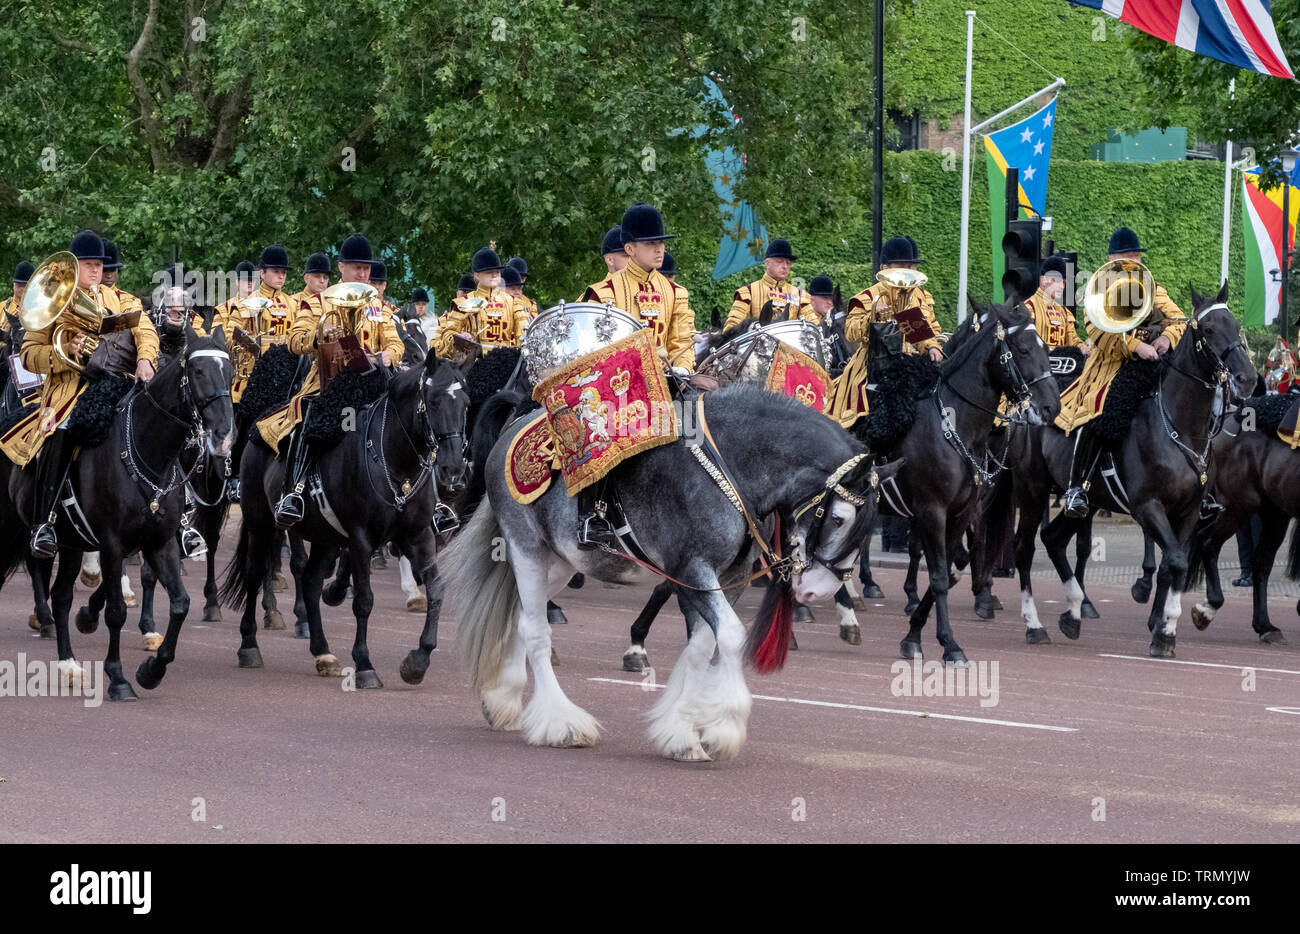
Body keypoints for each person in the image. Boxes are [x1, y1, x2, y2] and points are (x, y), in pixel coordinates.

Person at [0, 231, 160, 557]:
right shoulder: (53, 301)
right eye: (88, 264)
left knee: (160, 421)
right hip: (67, 390)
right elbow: (30, 355)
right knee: (59, 426)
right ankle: (43, 522)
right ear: (74, 267)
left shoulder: (122, 299)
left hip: (118, 382)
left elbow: (144, 329)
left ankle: (178, 517)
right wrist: (64, 354)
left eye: (99, 264)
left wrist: (145, 359)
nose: (95, 270)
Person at [258, 234, 403, 527]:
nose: (363, 273)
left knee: (414, 415)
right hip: (328, 382)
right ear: (341, 267)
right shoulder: (319, 302)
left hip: (374, 381)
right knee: (307, 419)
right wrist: (318, 337)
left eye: (366, 268)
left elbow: (395, 343)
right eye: (356, 267)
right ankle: (295, 492)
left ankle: (428, 500)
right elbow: (294, 340)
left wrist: (388, 355)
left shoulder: (378, 306)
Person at [1056, 227, 1188, 517]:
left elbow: (1179, 319)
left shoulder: (1153, 287)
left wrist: (1167, 339)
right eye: (1128, 257)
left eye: (1137, 257)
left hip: (1153, 362)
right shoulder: (1099, 288)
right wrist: (1136, 346)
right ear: (1113, 259)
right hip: (1108, 366)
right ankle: (1077, 486)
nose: (1135, 262)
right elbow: (1095, 331)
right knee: (1099, 411)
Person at [581, 203, 695, 371]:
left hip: (667, 384)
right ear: (629, 248)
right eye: (650, 243)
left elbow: (682, 342)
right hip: (618, 385)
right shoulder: (604, 293)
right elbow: (592, 349)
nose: (659, 249)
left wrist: (683, 368)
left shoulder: (676, 292)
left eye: (661, 242)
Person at [432, 248, 527, 355]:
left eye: (497, 272)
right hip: (473, 363)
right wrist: (459, 338)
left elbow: (524, 336)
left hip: (506, 364)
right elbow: (447, 333)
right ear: (476, 275)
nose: (494, 275)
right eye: (489, 272)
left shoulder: (514, 303)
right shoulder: (463, 302)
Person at [724, 239, 817, 328]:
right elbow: (732, 327)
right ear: (767, 263)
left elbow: (814, 326)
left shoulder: (800, 295)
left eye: (788, 263)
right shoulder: (748, 292)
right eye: (779, 261)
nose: (785, 266)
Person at [1025, 255, 1090, 352]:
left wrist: (1083, 348)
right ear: (1043, 280)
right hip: (1036, 366)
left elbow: (1073, 341)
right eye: (1058, 281)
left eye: (1064, 282)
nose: (1062, 287)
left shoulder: (1065, 312)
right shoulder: (1028, 307)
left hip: (1062, 366)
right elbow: (1024, 343)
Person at [289, 251, 331, 321]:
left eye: (325, 277)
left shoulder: (333, 304)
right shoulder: (292, 302)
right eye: (317, 276)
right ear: (306, 278)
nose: (322, 281)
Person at [1, 260, 34, 348]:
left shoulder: (40, 309)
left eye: (26, 285)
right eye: (19, 285)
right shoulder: (1, 306)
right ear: (13, 285)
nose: (22, 289)